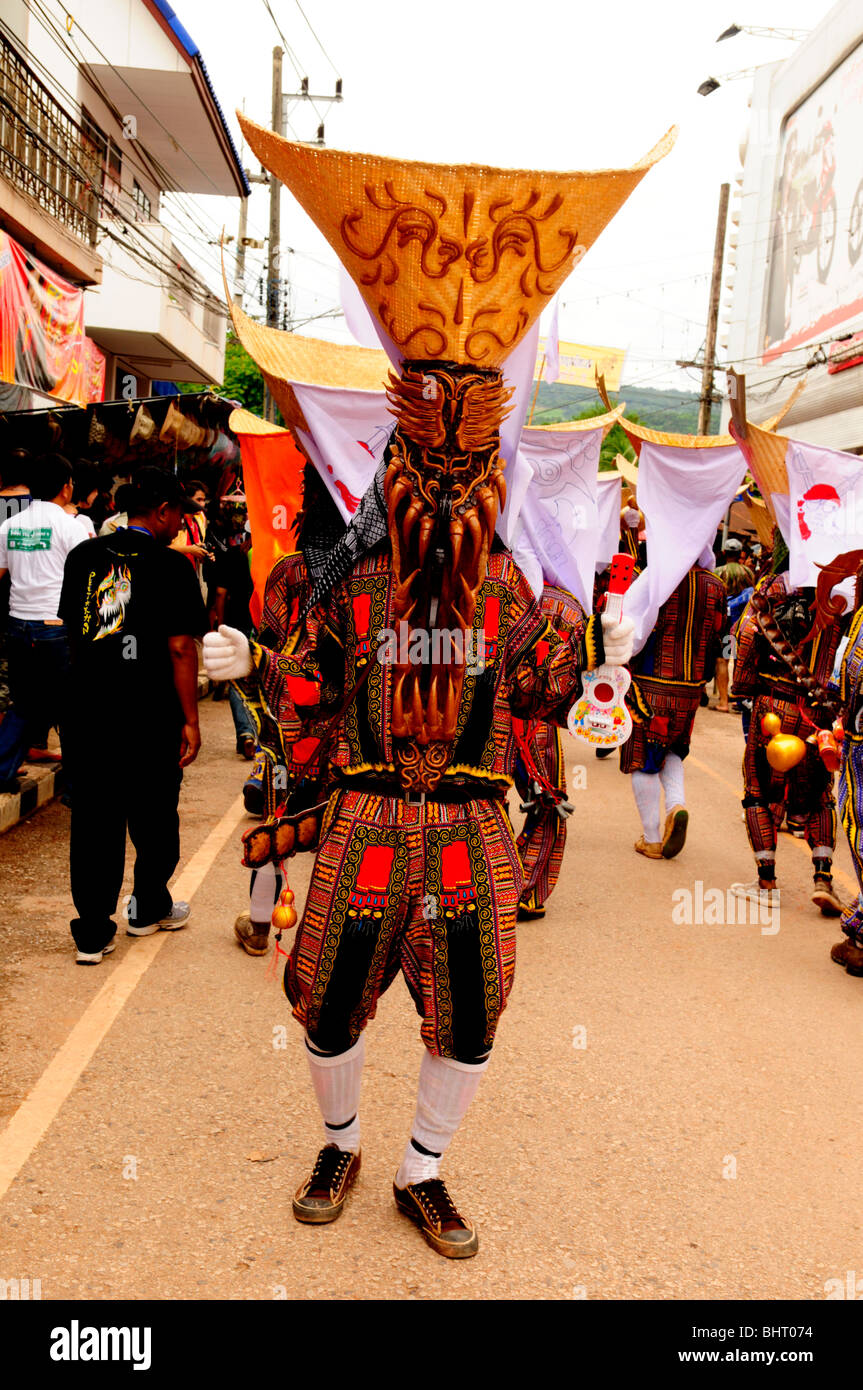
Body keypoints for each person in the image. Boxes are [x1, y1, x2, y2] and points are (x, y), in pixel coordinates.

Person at [59, 466, 206, 964]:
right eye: (180, 516)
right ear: (163, 511)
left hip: (90, 712)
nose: (181, 527)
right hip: (151, 714)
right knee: (154, 812)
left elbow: (76, 639)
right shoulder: (172, 568)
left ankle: (93, 933)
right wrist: (191, 719)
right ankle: (147, 908)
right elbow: (181, 648)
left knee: (95, 818)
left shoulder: (84, 557)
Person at [729, 547, 846, 916]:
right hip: (820, 716)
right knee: (818, 795)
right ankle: (823, 878)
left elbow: (747, 636)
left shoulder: (780, 584)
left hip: (773, 706)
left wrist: (741, 687)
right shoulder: (850, 595)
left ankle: (766, 883)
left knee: (758, 791)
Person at [621, 562, 726, 859]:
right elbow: (721, 636)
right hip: (690, 688)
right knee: (673, 750)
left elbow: (633, 627)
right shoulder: (715, 585)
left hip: (650, 685)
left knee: (642, 759)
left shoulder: (655, 576)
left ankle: (652, 838)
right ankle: (676, 805)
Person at [0, 454, 85, 792]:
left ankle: (2, 770)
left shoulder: (9, 525)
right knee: (72, 706)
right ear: (66, 487)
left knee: (23, 704)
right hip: (56, 628)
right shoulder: (71, 527)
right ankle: (80, 783)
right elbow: (85, 582)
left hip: (18, 626)